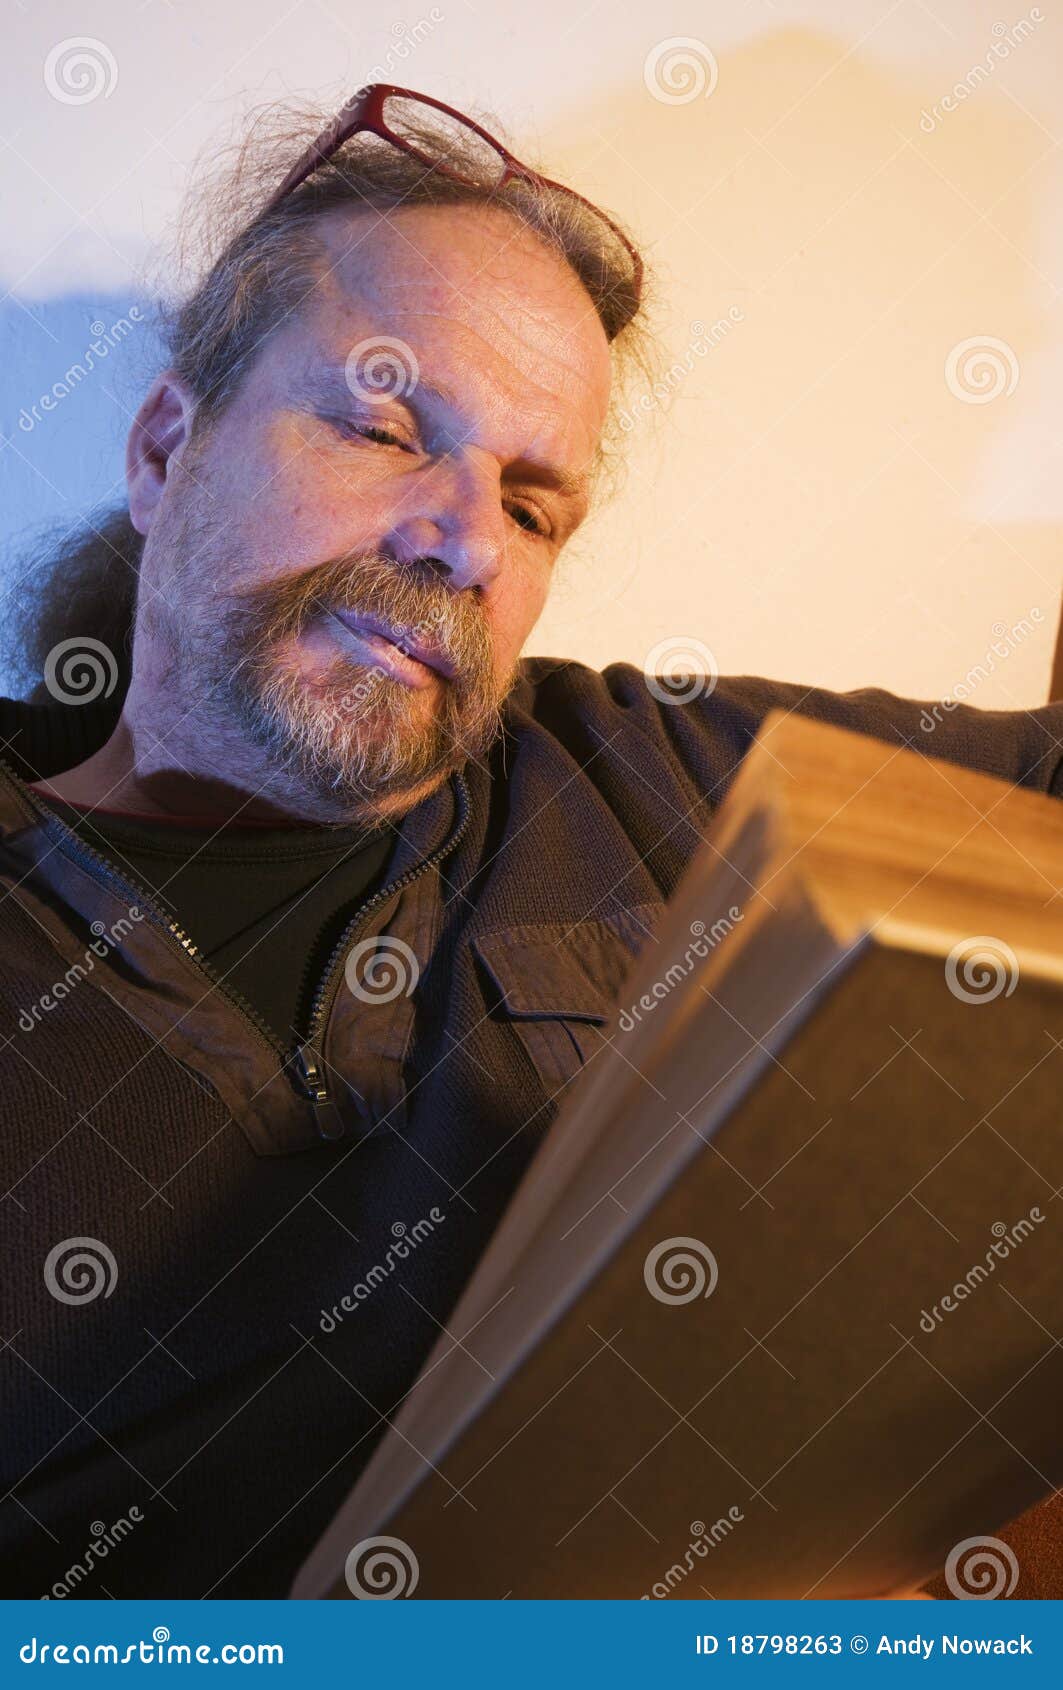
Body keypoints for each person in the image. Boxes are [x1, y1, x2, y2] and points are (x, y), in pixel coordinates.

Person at [2, 85, 1060, 1601]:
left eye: (535, 501)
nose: (467, 537)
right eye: (382, 424)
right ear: (168, 447)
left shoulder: (640, 765)